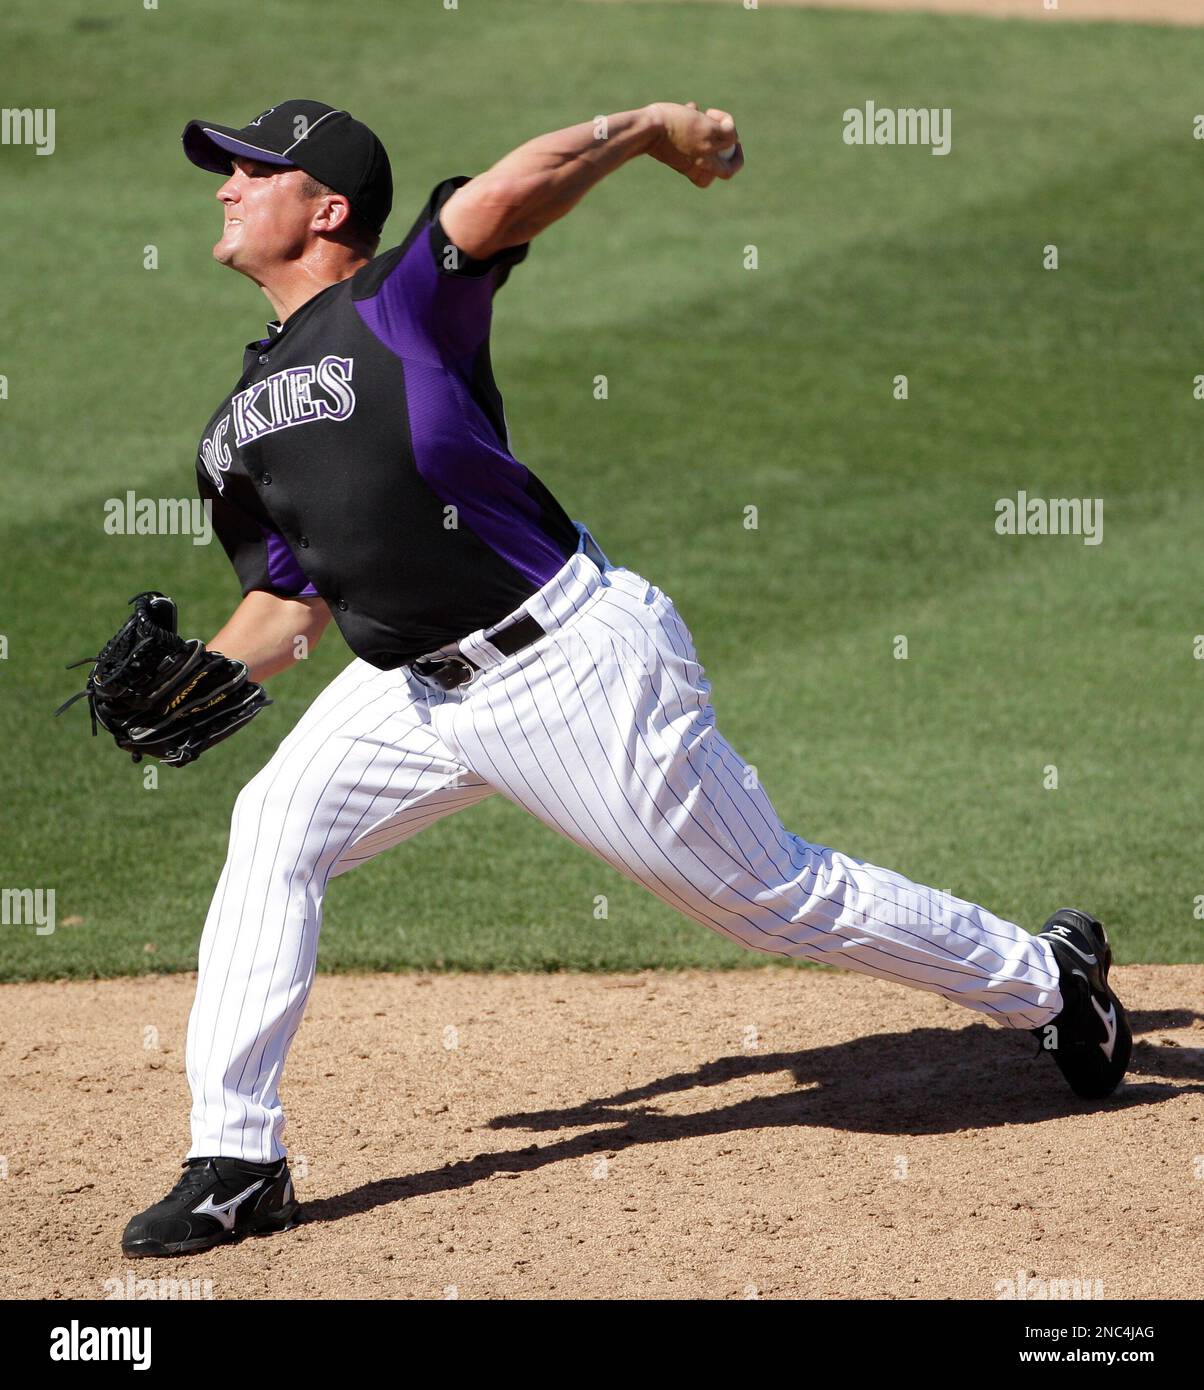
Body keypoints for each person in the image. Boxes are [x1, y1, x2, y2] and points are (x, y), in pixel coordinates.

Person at [120, 99, 1130, 1258]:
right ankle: (237, 1160)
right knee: (274, 828)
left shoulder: (398, 302)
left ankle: (1047, 982)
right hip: (409, 689)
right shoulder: (232, 429)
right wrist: (202, 671)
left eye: (252, 171)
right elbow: (292, 601)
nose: (225, 187)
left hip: (569, 666)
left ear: (327, 206)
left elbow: (502, 193)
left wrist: (650, 129)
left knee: (774, 899)